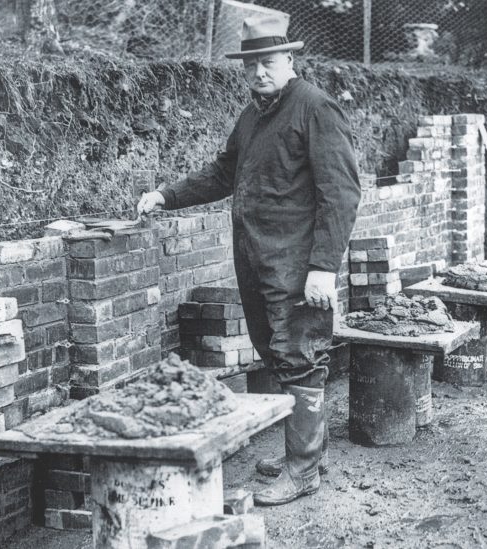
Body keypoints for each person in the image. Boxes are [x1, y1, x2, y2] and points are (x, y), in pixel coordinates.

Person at [137, 14, 361, 506]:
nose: (259, 71)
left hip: (299, 267)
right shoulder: (254, 114)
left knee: (300, 356)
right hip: (258, 261)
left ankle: (302, 471)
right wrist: (166, 194)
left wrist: (323, 266)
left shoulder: (315, 108)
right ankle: (306, 453)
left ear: (289, 60)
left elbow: (341, 193)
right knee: (277, 352)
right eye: (251, 64)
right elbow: (223, 172)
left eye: (268, 61)